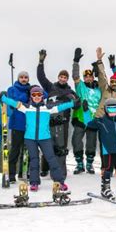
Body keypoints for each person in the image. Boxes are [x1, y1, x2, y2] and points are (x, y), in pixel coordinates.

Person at [1, 86, 79, 192]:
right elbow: (14, 103)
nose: (36, 97)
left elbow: (61, 106)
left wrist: (73, 103)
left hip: (45, 138)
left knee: (51, 159)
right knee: (34, 160)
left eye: (39, 95)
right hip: (30, 138)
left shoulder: (47, 108)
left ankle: (60, 182)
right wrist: (3, 98)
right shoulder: (26, 107)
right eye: (34, 95)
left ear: (42, 96)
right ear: (31, 96)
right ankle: (34, 182)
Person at [84, 98, 116, 200]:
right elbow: (89, 123)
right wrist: (86, 111)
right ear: (105, 110)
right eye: (109, 109)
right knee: (108, 170)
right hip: (107, 150)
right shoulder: (101, 121)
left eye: (114, 109)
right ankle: (105, 188)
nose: (112, 112)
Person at [37, 49, 77, 179]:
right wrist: (41, 62)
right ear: (58, 77)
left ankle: (61, 172)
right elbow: (41, 77)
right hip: (49, 121)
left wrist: (78, 102)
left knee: (61, 147)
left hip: (63, 123)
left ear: (67, 79)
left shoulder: (70, 92)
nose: (63, 79)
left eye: (65, 77)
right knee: (47, 144)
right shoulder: (51, 87)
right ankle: (45, 168)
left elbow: (78, 103)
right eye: (61, 76)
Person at [71, 48, 101, 175]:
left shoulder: (99, 88)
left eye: (90, 76)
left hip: (93, 119)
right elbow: (75, 77)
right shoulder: (80, 86)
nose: (88, 78)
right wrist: (76, 61)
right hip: (80, 118)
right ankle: (79, 164)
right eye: (86, 76)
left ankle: (89, 164)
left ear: (93, 77)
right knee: (76, 140)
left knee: (91, 143)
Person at [7, 71, 31, 183]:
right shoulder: (12, 89)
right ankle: (11, 174)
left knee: (26, 150)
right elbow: (14, 102)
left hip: (28, 124)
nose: (24, 79)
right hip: (17, 124)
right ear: (18, 78)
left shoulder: (31, 89)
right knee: (15, 150)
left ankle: (23, 172)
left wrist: (33, 89)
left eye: (26, 77)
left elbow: (43, 94)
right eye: (21, 77)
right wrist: (25, 96)